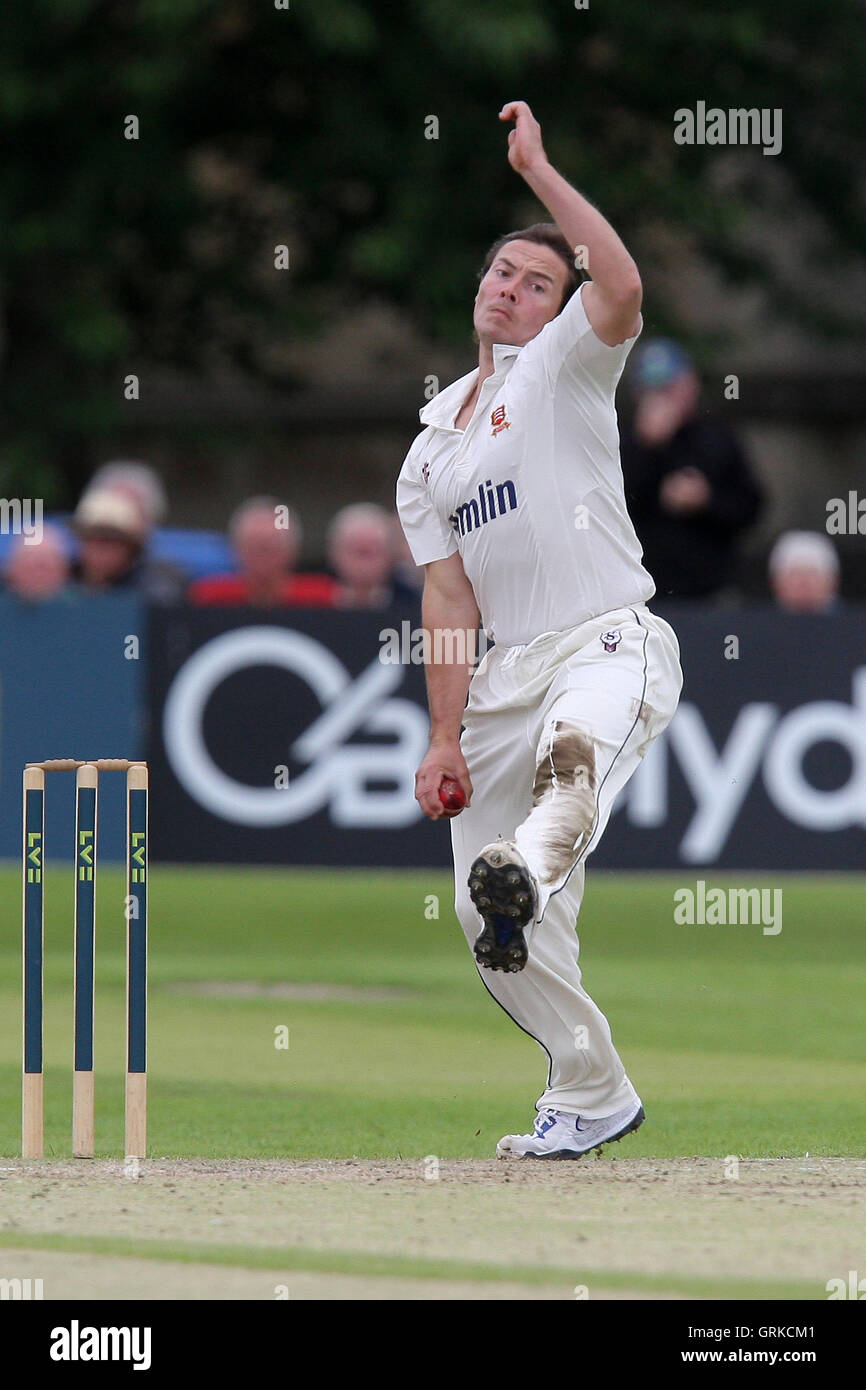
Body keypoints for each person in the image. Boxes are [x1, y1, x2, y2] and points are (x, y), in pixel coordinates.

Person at [396, 102, 683, 1161]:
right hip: (498, 681)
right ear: (477, 291)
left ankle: (530, 857)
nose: (512, 291)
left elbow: (620, 286)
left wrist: (541, 173)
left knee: (570, 776)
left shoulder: (565, 363)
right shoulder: (428, 451)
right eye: (502, 277)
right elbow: (447, 602)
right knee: (493, 936)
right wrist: (439, 735)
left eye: (536, 282)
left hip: (606, 638)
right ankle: (589, 1088)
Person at [620, 338, 764, 599]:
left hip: (710, 590)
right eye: (651, 390)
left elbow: (751, 507)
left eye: (669, 388)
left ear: (690, 384)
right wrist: (646, 447)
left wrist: (706, 501)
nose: (661, 399)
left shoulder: (716, 436)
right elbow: (615, 507)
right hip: (643, 593)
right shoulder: (624, 440)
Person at [188, 496, 336, 607]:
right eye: (254, 548)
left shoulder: (323, 599)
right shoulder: (209, 598)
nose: (263, 558)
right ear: (235, 549)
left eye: (271, 548)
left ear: (293, 550)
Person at [72, 488, 186, 600]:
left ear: (132, 548)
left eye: (109, 541)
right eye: (91, 540)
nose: (99, 551)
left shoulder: (156, 586)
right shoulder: (65, 580)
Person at [326, 503, 416, 608]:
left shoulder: (414, 605)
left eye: (372, 551)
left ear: (392, 554)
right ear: (334, 552)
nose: (363, 565)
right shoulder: (310, 602)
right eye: (357, 551)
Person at [768, 530, 842, 613]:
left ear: (834, 581)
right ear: (775, 582)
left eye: (812, 573)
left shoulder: (854, 623)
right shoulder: (758, 623)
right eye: (795, 573)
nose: (804, 582)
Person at [1, 525, 71, 602]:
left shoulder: (79, 608)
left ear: (63, 569)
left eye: (47, 558)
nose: (38, 572)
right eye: (28, 558)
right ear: (12, 569)